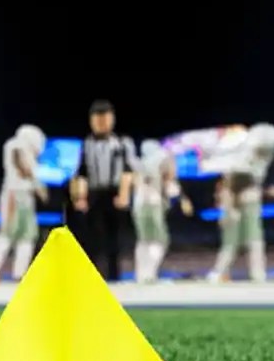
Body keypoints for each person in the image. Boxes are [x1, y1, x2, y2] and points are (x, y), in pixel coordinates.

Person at [204, 123, 274, 282]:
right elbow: (232, 179)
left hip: (244, 194)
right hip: (235, 196)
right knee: (236, 239)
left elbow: (245, 178)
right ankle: (223, 272)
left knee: (250, 237)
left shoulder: (254, 154)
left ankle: (255, 274)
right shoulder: (241, 154)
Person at [70, 100, 136, 281]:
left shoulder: (122, 143)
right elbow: (82, 172)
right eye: (97, 119)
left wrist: (124, 194)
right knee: (92, 238)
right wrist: (80, 197)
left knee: (114, 238)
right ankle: (92, 277)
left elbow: (128, 170)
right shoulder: (87, 144)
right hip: (94, 193)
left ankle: (114, 276)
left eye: (105, 119)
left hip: (113, 192)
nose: (101, 123)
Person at [0, 124, 48, 283]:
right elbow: (24, 167)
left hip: (23, 197)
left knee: (24, 237)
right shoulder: (16, 146)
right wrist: (40, 189)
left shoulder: (19, 149)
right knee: (9, 234)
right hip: (14, 195)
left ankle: (14, 273)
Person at [131, 139, 192, 283]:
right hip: (154, 203)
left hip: (138, 204)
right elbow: (169, 180)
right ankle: (149, 273)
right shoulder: (164, 158)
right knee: (160, 239)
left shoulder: (139, 162)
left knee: (144, 240)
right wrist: (182, 199)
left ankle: (141, 274)